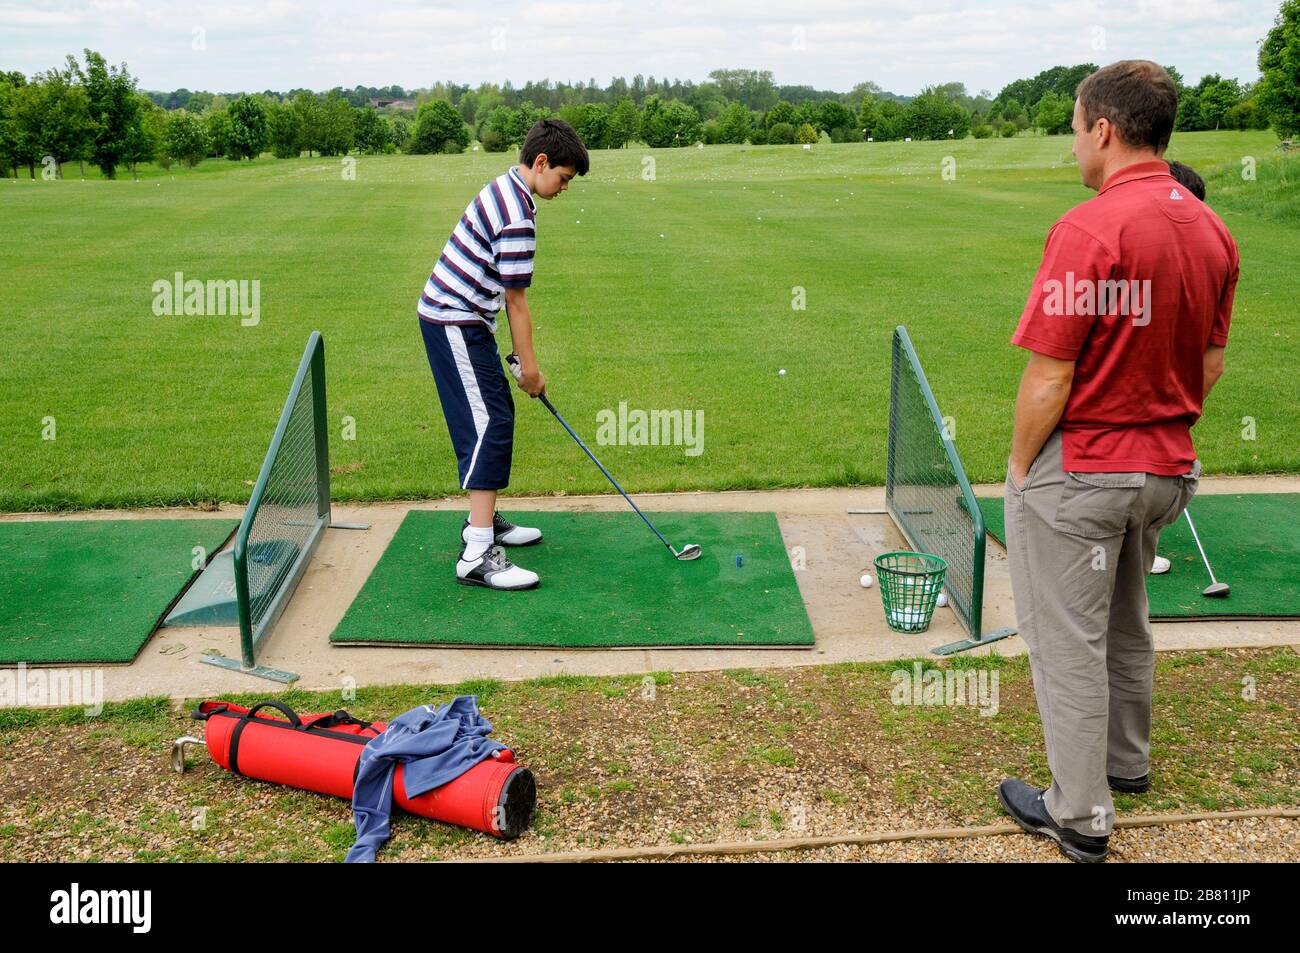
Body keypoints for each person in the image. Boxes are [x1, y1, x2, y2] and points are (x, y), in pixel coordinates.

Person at [999, 61, 1238, 862]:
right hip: (1167, 469)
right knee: (1128, 616)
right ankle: (1124, 764)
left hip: (1088, 470)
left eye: (1075, 128)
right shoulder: (1210, 226)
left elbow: (1050, 373)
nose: (1074, 145)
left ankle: (1079, 814)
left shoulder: (1089, 228)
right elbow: (1209, 361)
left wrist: (1022, 468)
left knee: (1067, 638)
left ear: (1103, 128)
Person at [417, 119, 588, 590]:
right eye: (564, 178)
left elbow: (499, 292)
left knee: (493, 414)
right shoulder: (518, 215)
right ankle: (476, 551)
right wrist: (530, 368)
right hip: (453, 319)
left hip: (463, 317)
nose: (563, 189)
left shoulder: (506, 186)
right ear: (540, 163)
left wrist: (514, 358)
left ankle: (486, 520)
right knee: (489, 421)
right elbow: (517, 302)